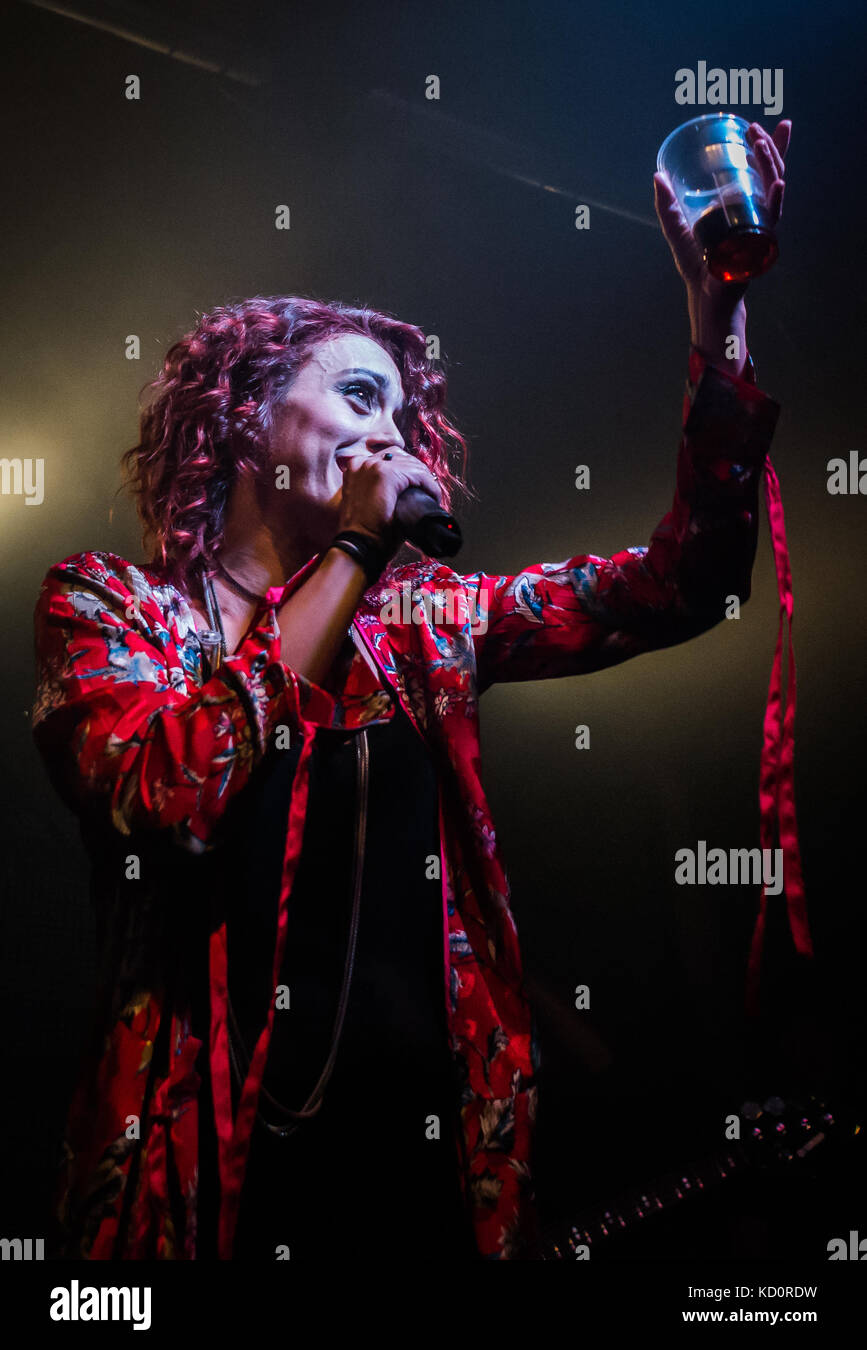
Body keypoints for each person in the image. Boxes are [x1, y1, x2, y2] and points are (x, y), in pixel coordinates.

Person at [31, 121, 790, 1262]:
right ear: (247, 414)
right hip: (204, 1182)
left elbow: (679, 583)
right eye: (357, 395)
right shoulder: (111, 609)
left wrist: (716, 311)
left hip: (424, 1183)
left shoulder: (422, 629)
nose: (391, 432)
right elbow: (169, 790)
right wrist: (349, 552)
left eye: (400, 413)